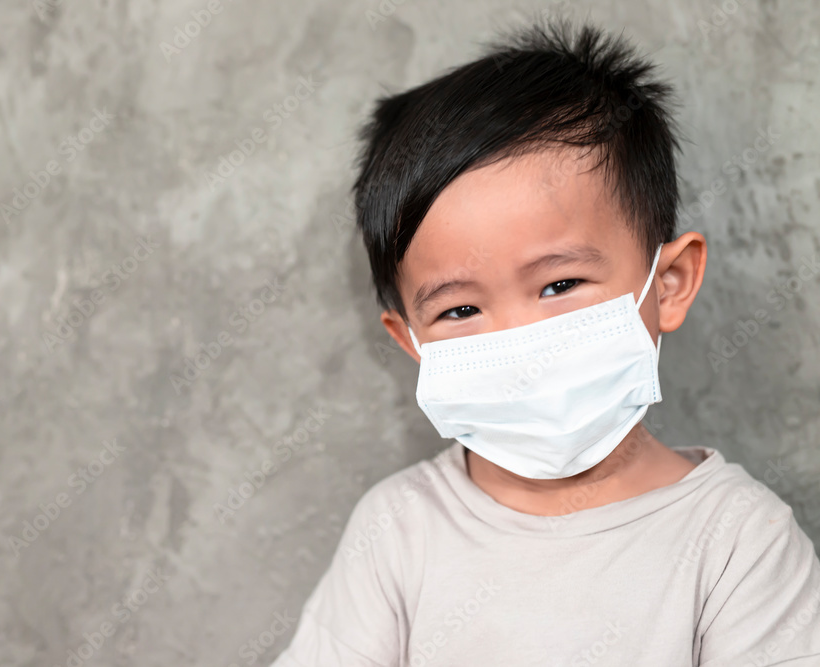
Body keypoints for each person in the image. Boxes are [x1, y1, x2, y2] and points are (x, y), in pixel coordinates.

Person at [272, 18, 820, 667]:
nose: (519, 342)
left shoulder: (738, 541)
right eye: (461, 308)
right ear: (411, 341)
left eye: (560, 284)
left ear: (668, 283)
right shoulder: (398, 530)